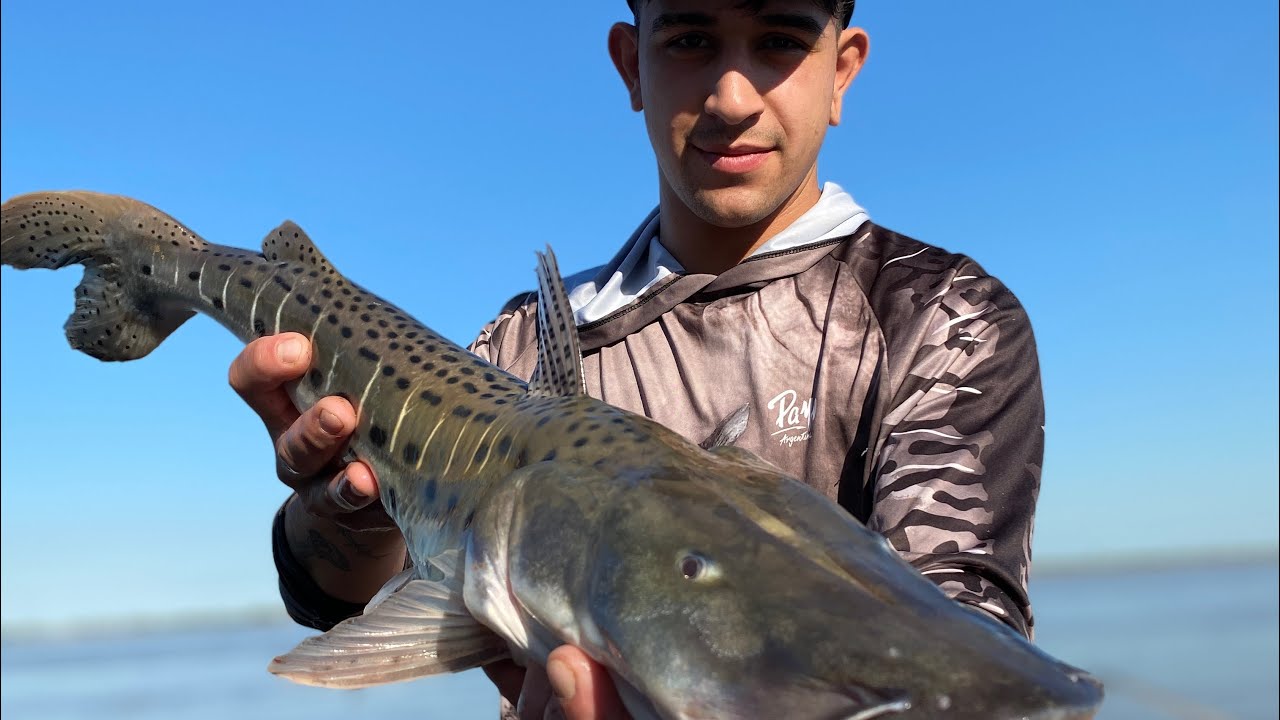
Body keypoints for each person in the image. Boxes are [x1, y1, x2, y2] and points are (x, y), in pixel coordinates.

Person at [232, 2, 1045, 718]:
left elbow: (961, 629)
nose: (732, 96)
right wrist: (347, 510)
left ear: (842, 70)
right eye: (691, 38)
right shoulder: (516, 344)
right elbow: (342, 599)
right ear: (630, 63)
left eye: (779, 40)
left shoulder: (941, 314)